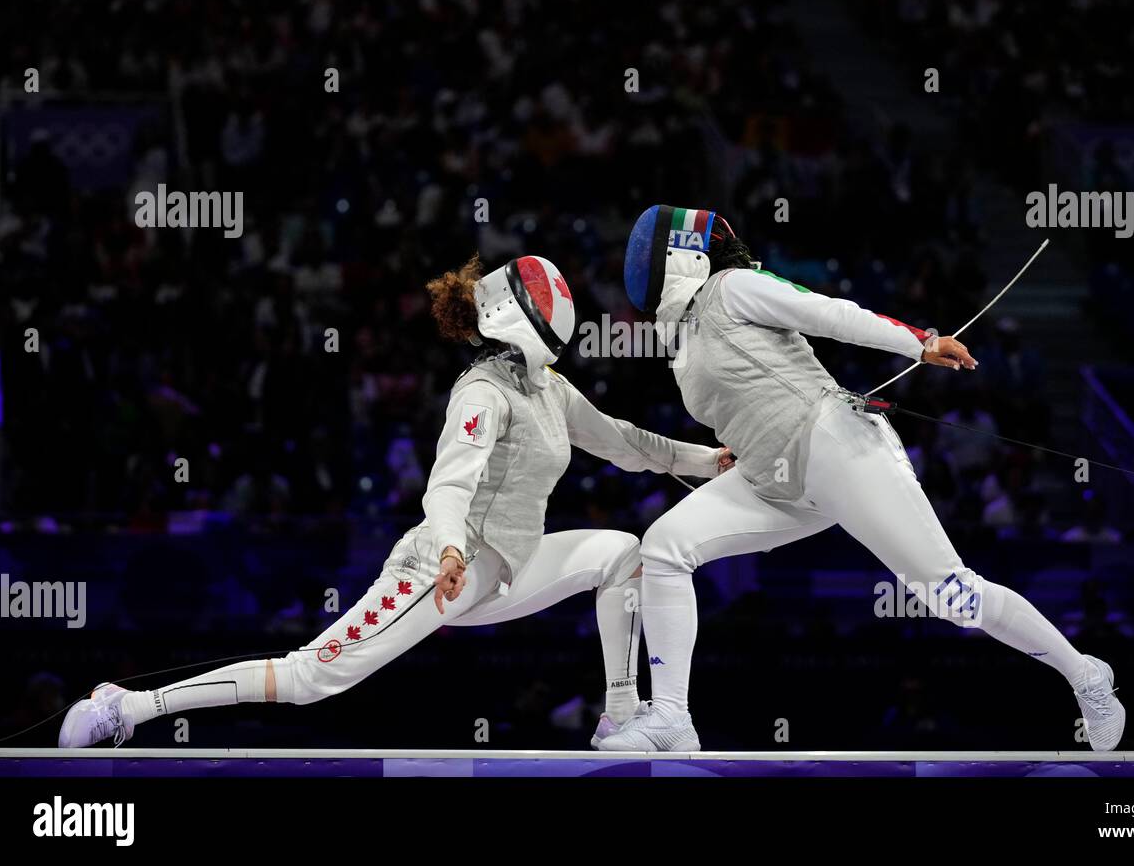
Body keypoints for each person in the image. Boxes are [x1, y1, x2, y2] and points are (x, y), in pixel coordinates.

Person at [60, 254, 730, 749]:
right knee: (309, 677)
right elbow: (448, 484)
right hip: (441, 572)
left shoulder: (546, 389)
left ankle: (620, 714)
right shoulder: (482, 393)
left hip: (510, 568)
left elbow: (621, 441)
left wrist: (708, 460)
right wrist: (445, 550)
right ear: (522, 321)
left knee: (622, 553)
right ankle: (131, 706)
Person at [598, 205, 1124, 752]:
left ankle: (1086, 675)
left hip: (835, 448)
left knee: (953, 596)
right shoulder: (682, 340)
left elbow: (828, 314)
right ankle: (672, 720)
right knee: (663, 546)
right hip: (769, 481)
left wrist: (920, 341)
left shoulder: (732, 288)